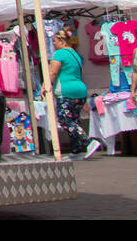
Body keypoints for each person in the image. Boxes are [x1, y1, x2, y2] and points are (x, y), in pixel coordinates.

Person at [42, 28, 101, 159]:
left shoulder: (59, 54)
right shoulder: (75, 54)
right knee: (74, 120)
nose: (54, 44)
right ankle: (76, 150)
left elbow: (53, 72)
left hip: (66, 90)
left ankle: (88, 141)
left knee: (64, 119)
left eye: (55, 41)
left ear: (62, 41)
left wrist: (45, 86)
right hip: (80, 89)